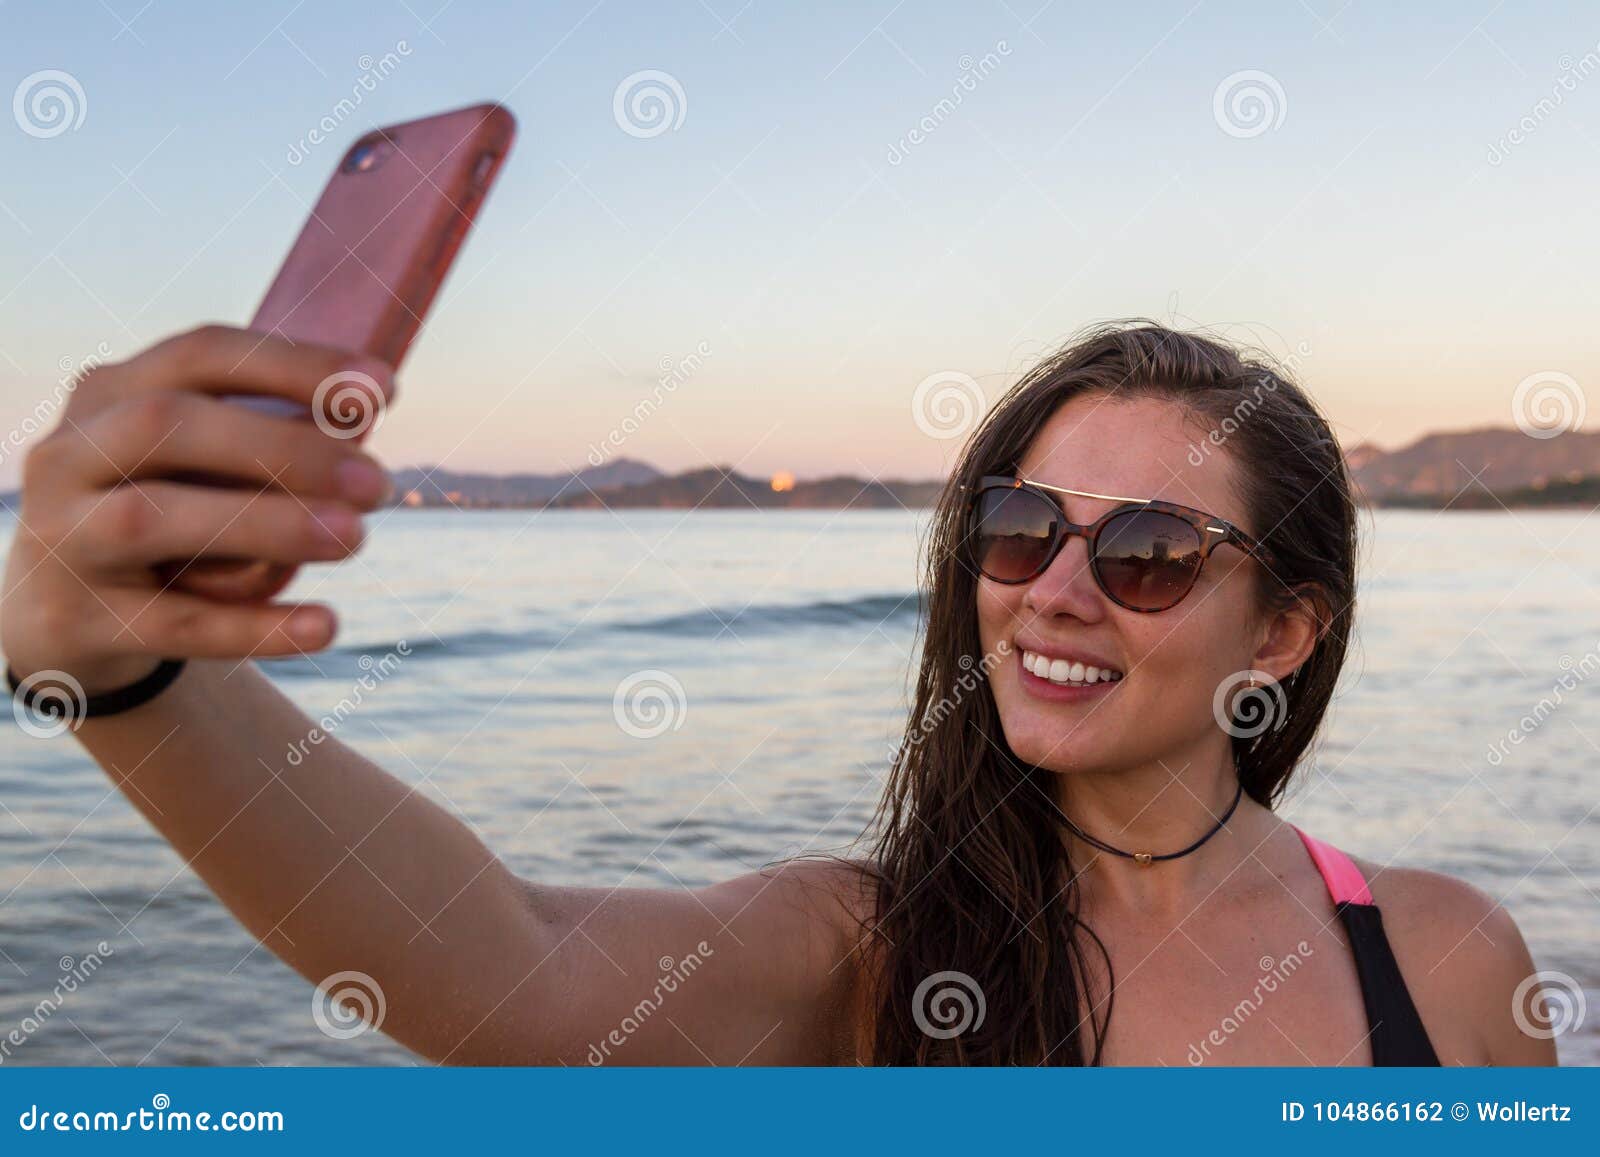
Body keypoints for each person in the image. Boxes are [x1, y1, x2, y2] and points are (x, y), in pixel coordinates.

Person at [0, 321, 1554, 1065]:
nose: (1055, 590)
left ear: (1281, 631)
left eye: (1149, 551)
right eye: (1019, 529)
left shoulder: (1446, 958)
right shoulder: (871, 946)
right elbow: (506, 974)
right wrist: (120, 672)